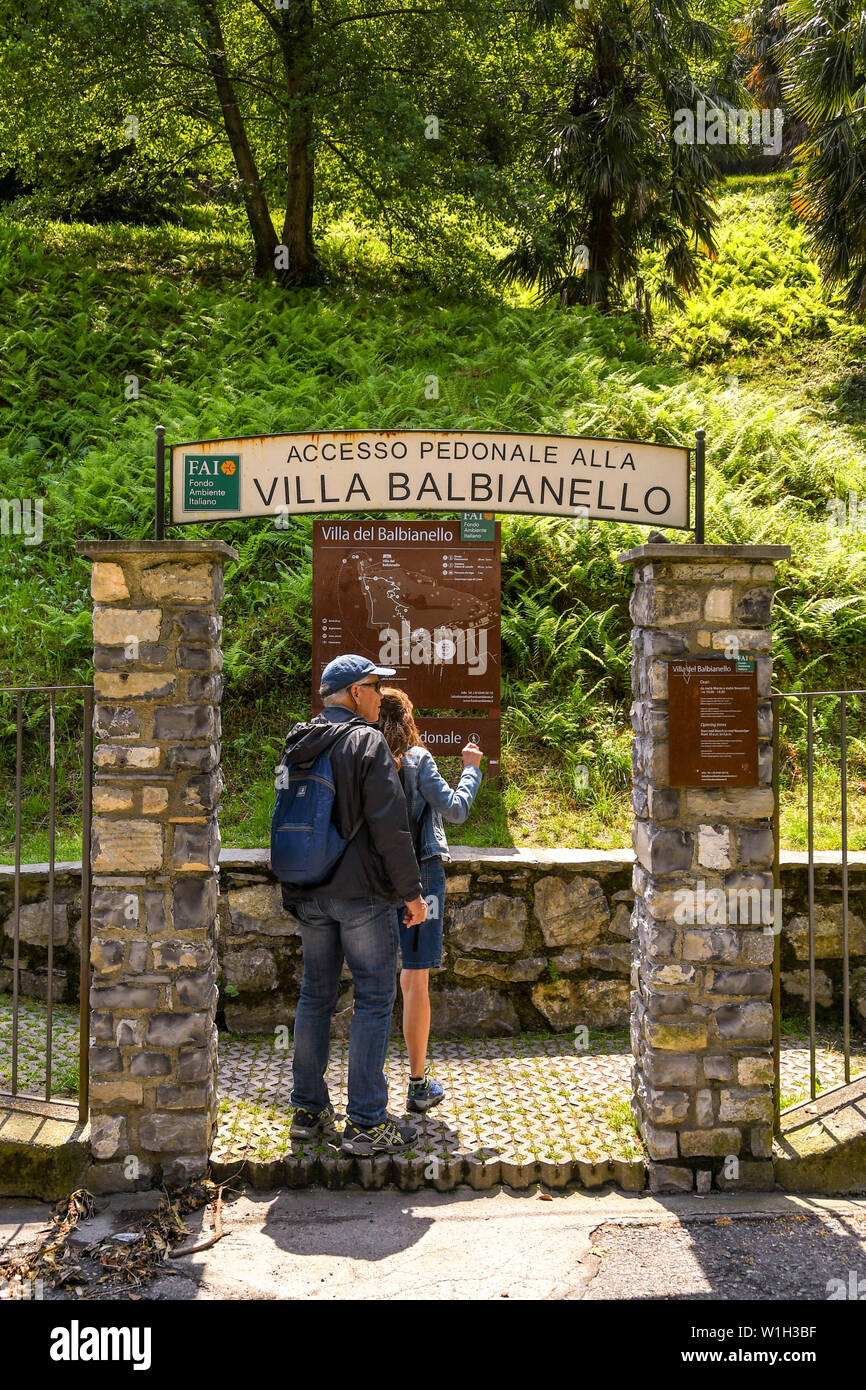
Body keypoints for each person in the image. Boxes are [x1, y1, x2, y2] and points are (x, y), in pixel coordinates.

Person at [278, 654, 428, 1156]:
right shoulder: (367, 742)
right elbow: (391, 827)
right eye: (375, 688)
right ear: (355, 692)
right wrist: (412, 894)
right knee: (372, 999)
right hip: (361, 895)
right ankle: (365, 1122)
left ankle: (308, 1111)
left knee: (315, 997)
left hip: (310, 891)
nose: (380, 697)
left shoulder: (299, 742)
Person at [377, 687, 483, 1113]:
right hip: (421, 874)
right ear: (408, 719)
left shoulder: (364, 754)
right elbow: (455, 810)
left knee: (376, 981)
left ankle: (368, 1085)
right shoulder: (418, 760)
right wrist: (471, 769)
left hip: (373, 876)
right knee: (415, 979)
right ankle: (418, 1085)